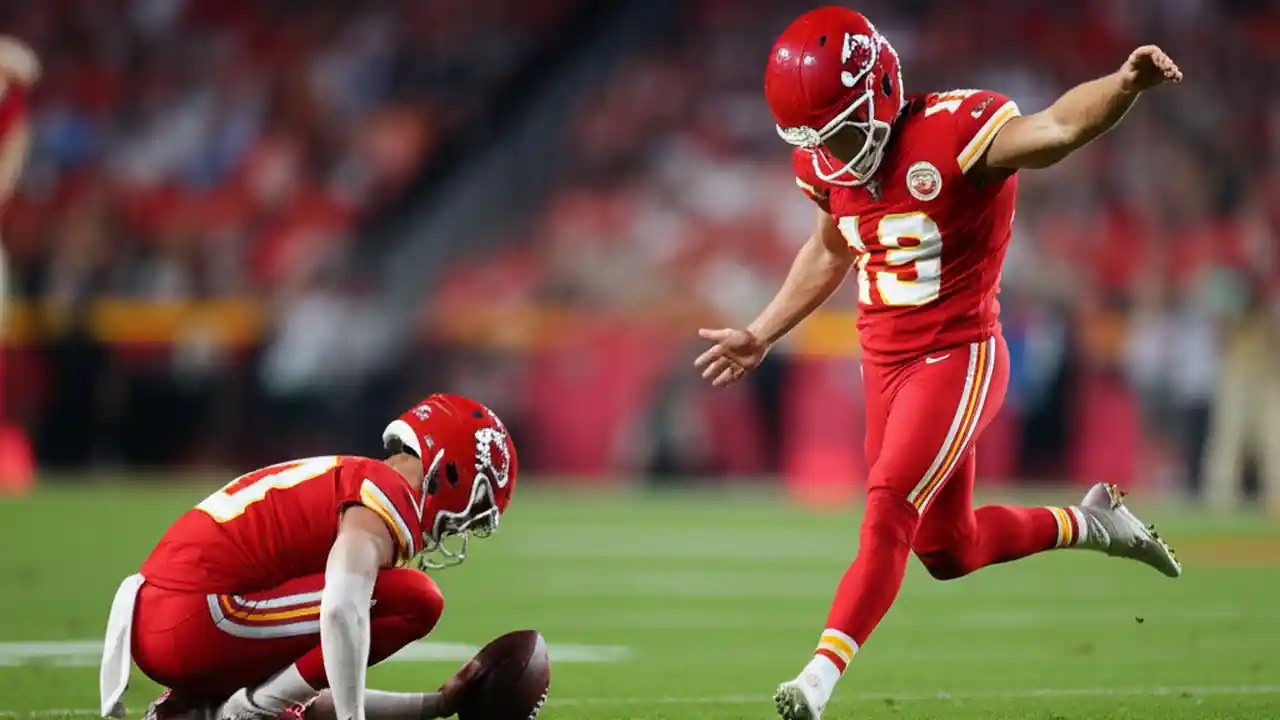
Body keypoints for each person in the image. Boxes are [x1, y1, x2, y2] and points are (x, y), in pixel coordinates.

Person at [692, 8, 1183, 719]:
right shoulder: (826, 160)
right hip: (883, 364)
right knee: (948, 550)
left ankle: (817, 680)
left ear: (881, 90)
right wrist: (764, 331)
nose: (836, 152)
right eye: (820, 139)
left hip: (957, 353)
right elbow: (832, 246)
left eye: (845, 130)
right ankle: (1095, 524)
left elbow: (1056, 128)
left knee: (888, 507)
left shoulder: (955, 130)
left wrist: (1122, 84)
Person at [99, 394, 517, 720]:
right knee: (415, 600)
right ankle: (241, 709)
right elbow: (340, 611)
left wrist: (437, 705)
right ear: (449, 469)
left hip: (160, 617)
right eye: (474, 505)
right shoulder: (385, 495)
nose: (460, 526)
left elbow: (317, 694)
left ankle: (195, 707)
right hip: (197, 616)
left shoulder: (353, 476)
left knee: (298, 692)